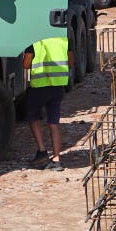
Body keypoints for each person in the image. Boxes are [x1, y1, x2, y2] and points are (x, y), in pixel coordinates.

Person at [22, 37, 74, 171]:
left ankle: (42, 152)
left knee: (33, 118)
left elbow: (26, 64)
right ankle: (56, 159)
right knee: (54, 122)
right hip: (57, 87)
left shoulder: (35, 41)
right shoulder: (64, 40)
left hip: (39, 87)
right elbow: (71, 62)